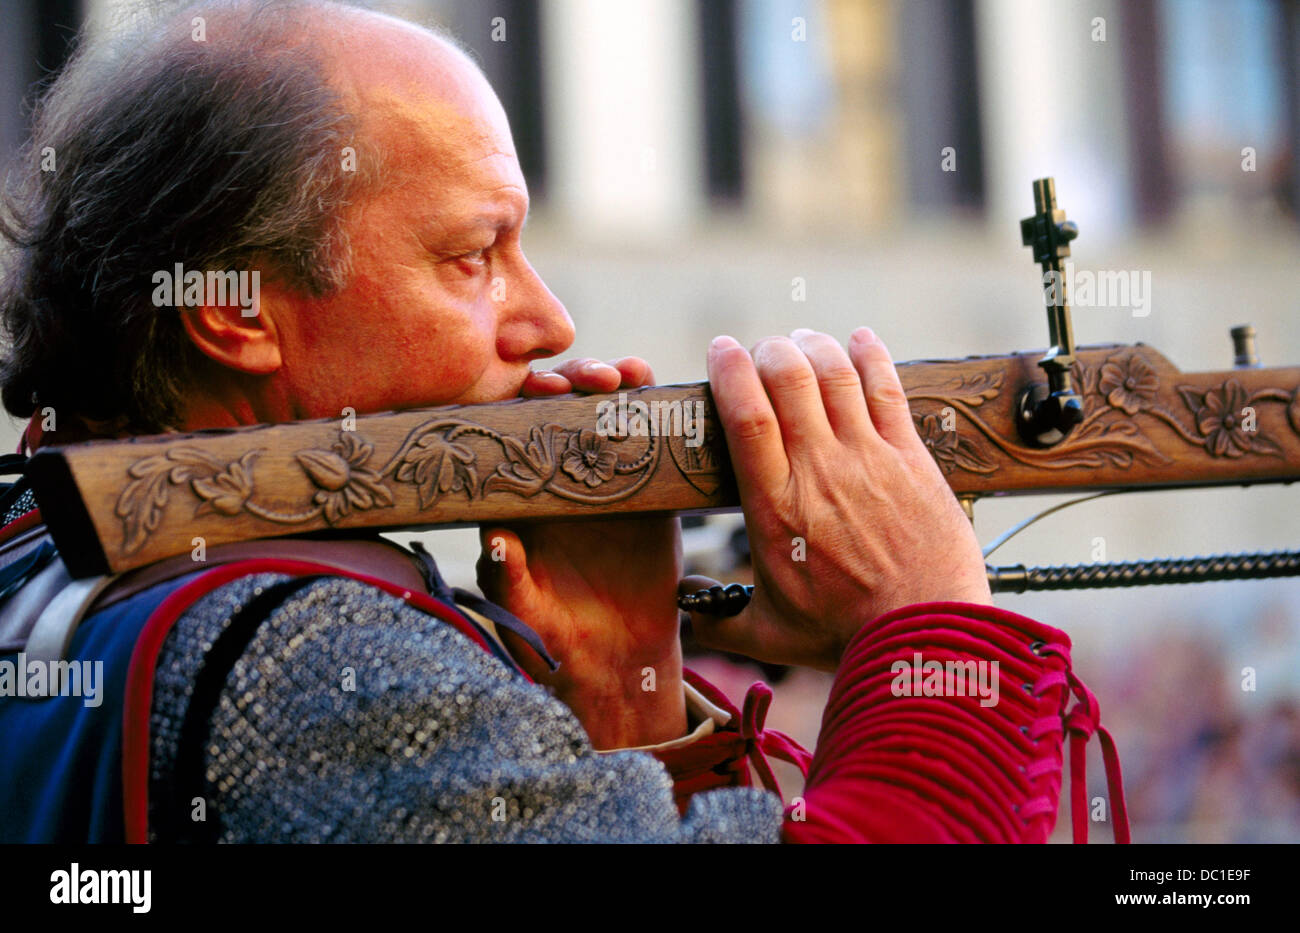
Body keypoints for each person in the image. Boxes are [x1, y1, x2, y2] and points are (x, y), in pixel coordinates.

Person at [0, 0, 1126, 843]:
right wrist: (931, 622)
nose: (549, 319)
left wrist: (626, 670)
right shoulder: (316, 656)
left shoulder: (44, 550)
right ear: (235, 312)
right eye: (471, 257)